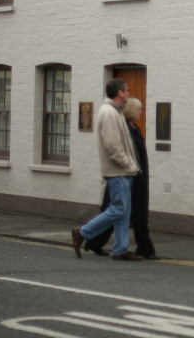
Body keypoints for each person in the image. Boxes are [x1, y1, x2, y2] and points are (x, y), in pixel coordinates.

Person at [71, 78, 142, 261]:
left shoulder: (115, 111)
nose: (128, 93)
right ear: (120, 93)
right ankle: (82, 232)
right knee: (118, 209)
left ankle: (120, 249)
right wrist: (130, 166)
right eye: (126, 90)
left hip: (123, 172)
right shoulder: (109, 113)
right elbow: (112, 147)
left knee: (123, 212)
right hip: (118, 171)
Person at [82, 97, 160, 259]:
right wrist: (129, 169)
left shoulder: (134, 128)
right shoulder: (126, 130)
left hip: (136, 175)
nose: (141, 112)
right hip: (125, 175)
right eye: (139, 109)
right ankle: (88, 236)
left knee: (129, 212)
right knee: (118, 211)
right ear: (132, 111)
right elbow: (116, 151)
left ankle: (130, 247)